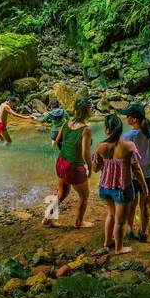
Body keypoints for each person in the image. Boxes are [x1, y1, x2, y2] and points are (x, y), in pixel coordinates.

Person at [92, 114, 148, 255]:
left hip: (105, 188)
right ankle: (118, 248)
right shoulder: (128, 146)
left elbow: (95, 168)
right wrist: (144, 186)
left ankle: (107, 242)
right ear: (121, 130)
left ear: (107, 130)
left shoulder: (100, 147)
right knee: (120, 221)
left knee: (111, 215)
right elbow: (136, 168)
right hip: (122, 189)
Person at [44, 98, 94, 229]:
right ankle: (79, 222)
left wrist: (66, 151)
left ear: (75, 110)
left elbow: (56, 142)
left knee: (62, 193)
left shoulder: (66, 123)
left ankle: (47, 219)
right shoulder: (86, 130)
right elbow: (85, 153)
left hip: (61, 161)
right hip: (73, 166)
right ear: (87, 113)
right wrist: (90, 167)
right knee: (84, 196)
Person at [120, 103, 150, 242]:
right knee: (146, 205)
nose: (126, 118)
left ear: (134, 119)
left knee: (132, 203)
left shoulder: (127, 136)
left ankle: (130, 228)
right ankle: (144, 231)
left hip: (133, 176)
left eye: (128, 116)